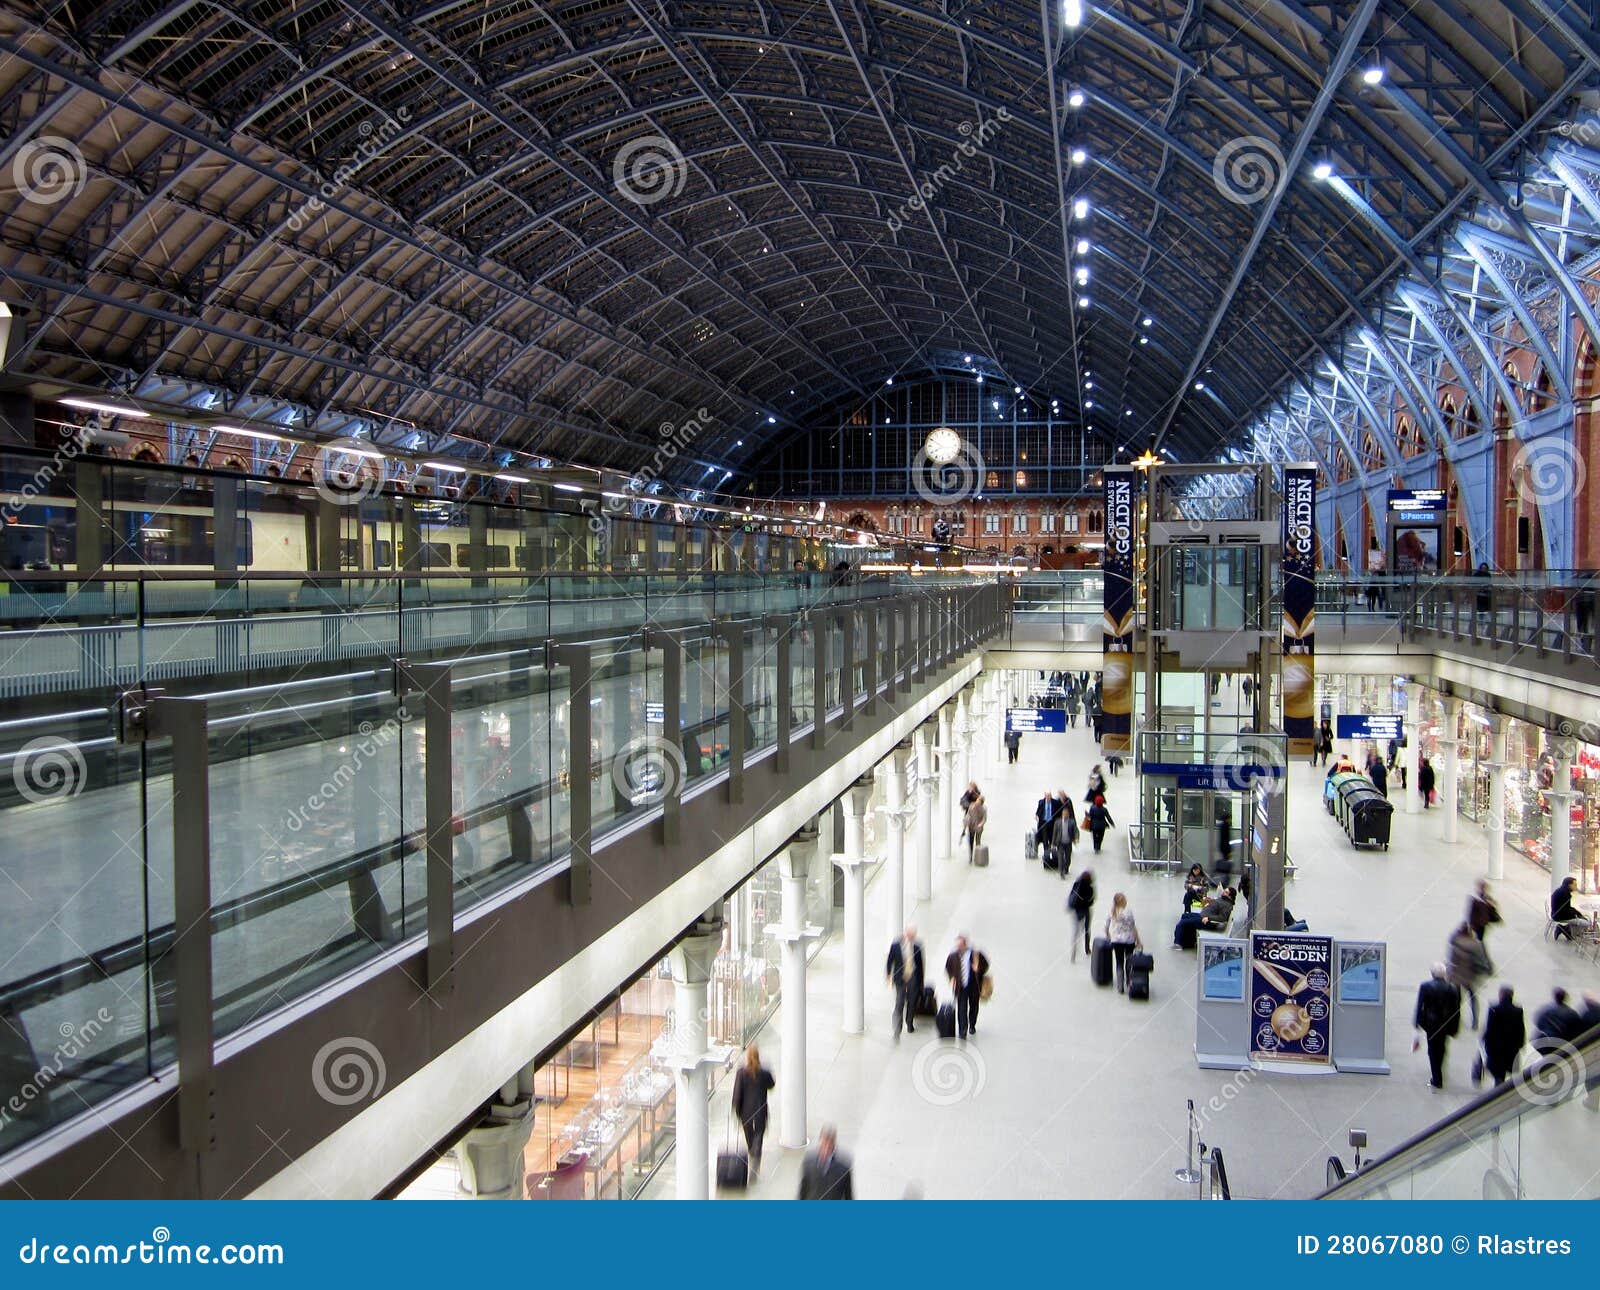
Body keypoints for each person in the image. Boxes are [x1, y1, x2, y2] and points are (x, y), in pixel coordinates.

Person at [1413, 962, 1462, 1091]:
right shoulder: (1453, 988)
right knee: (1441, 1047)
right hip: (1446, 1023)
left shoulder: (1426, 986)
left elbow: (1420, 1005)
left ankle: (1437, 1078)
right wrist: (1455, 1028)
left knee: (1432, 1049)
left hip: (1431, 1023)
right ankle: (1439, 1071)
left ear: (1433, 974)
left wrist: (1417, 1022)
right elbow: (1456, 1010)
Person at [731, 1044, 775, 1179]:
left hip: (746, 1113)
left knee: (749, 1136)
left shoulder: (741, 1073)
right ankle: (756, 1159)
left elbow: (737, 1094)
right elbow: (772, 1085)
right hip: (761, 1111)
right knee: (758, 1137)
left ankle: (752, 1152)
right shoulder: (764, 1073)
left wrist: (736, 1111)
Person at [1445, 921, 1492, 1029]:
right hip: (1470, 976)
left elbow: (1451, 959)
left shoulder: (1455, 941)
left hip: (1456, 976)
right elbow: (1482, 959)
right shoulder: (1475, 944)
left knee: (1457, 999)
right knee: (1473, 998)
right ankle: (1475, 1020)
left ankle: (1456, 1020)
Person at [944, 934, 988, 1039]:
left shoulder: (976, 954)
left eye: (960, 946)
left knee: (974, 1006)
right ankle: (962, 1031)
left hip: (973, 986)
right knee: (961, 1008)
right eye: (957, 946)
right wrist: (952, 978)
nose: (958, 948)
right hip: (960, 987)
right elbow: (948, 968)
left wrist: (978, 969)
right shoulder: (953, 955)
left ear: (965, 945)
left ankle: (972, 1024)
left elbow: (986, 965)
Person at [886, 924, 924, 1041]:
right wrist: (888, 974)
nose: (912, 937)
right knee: (899, 1003)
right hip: (900, 978)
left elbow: (921, 965)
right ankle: (897, 1030)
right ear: (906, 933)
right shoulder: (896, 945)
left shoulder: (917, 947)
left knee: (912, 1001)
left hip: (913, 976)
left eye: (913, 935)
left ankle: (909, 1021)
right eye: (910, 934)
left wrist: (921, 981)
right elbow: (890, 960)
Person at [1480, 986, 1525, 1085]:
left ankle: (1498, 1084)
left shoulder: (1494, 1009)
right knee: (1506, 1066)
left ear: (1500, 995)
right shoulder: (1518, 1010)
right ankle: (1500, 1084)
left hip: (1496, 1045)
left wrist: (1484, 1040)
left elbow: (1490, 1028)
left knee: (1497, 1069)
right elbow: (1520, 1028)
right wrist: (1521, 1043)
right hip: (1511, 1045)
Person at [797, 1125, 853, 1200]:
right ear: (820, 1141)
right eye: (824, 1143)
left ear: (834, 1143)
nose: (826, 1147)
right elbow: (802, 1191)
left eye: (830, 1143)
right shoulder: (808, 1162)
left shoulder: (843, 1167)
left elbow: (848, 1196)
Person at [1104, 893, 1142, 994]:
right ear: (1122, 901)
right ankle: (1129, 981)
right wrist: (1138, 941)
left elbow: (1106, 927)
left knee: (1119, 962)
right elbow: (1133, 928)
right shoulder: (1128, 912)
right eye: (1125, 899)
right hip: (1129, 941)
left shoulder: (1112, 912)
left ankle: (1120, 986)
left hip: (1116, 941)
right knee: (1129, 961)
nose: (1126, 901)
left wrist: (1108, 937)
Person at [1532, 987, 1584, 1053]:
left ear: (1555, 997)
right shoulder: (1572, 1013)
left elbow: (1538, 1023)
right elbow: (1577, 1029)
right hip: (1564, 1044)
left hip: (1547, 1044)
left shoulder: (1546, 1010)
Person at [1066, 869, 1095, 962]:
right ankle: (1087, 949)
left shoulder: (1076, 885)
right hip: (1085, 911)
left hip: (1076, 911)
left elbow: (1071, 896)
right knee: (1087, 930)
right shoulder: (1090, 888)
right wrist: (1087, 901)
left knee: (1076, 932)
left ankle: (1073, 954)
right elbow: (1091, 901)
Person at [1551, 876, 1587, 940]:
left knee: (1580, 918)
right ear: (1569, 885)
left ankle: (1566, 931)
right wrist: (1578, 915)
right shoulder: (1565, 894)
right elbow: (1566, 910)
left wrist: (1578, 914)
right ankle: (1565, 930)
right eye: (1575, 885)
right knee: (1586, 923)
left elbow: (1567, 908)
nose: (1576, 887)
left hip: (1555, 914)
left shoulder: (1561, 891)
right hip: (1559, 916)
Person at [1467, 880, 1501, 946]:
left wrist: (1492, 904)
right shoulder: (1475, 899)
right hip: (1477, 924)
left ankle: (1478, 948)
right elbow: (1471, 913)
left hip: (1483, 923)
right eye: (1483, 888)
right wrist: (1470, 924)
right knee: (1479, 939)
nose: (1484, 890)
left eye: (1485, 888)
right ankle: (1477, 949)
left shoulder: (1487, 898)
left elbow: (1493, 908)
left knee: (1480, 938)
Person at [963, 792, 987, 863]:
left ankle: (977, 856)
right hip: (971, 827)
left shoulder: (983, 809)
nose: (977, 802)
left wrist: (981, 824)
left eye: (979, 802)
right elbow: (968, 815)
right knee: (971, 842)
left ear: (981, 803)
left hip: (979, 828)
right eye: (977, 801)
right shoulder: (971, 806)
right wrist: (966, 822)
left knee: (978, 842)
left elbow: (984, 818)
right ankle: (970, 857)